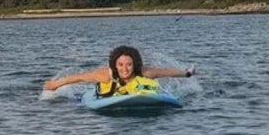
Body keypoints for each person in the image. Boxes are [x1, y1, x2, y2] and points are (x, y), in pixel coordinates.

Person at [43, 45, 195, 97]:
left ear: (134, 64)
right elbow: (80, 78)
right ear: (115, 65)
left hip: (136, 91)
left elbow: (167, 72)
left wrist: (187, 73)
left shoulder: (143, 73)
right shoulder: (106, 75)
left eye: (129, 64)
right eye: (120, 65)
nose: (125, 69)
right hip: (109, 93)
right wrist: (55, 85)